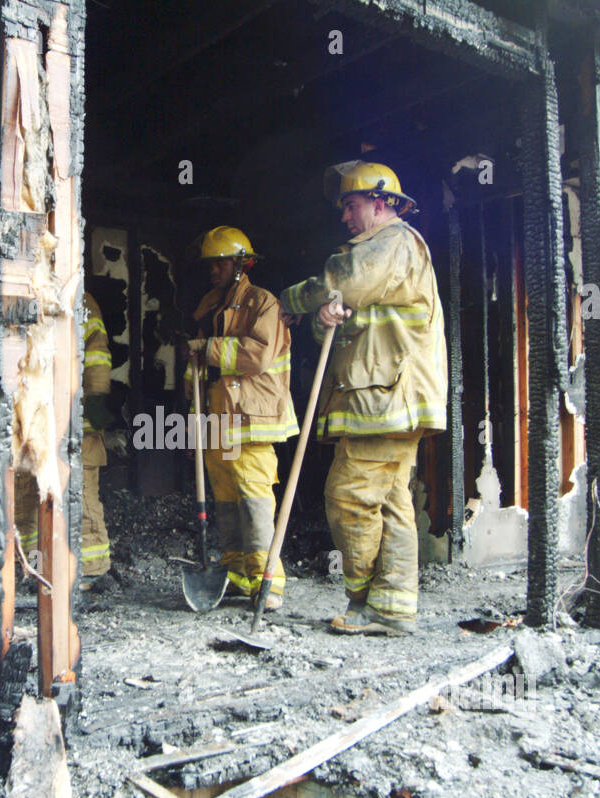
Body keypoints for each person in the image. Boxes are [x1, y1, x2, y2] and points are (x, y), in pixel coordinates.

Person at [279, 161, 447, 635]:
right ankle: (392, 606)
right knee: (391, 502)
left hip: (388, 399)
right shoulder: (383, 261)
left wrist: (293, 299)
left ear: (381, 202)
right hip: (382, 398)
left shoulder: (392, 243)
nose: (345, 217)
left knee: (348, 496)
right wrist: (323, 316)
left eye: (351, 206)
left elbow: (343, 282)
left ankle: (362, 598)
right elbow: (343, 315)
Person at [183, 226, 299, 611]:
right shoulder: (210, 308)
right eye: (210, 264)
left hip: (251, 416)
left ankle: (268, 580)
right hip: (217, 416)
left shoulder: (261, 303)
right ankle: (235, 573)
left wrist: (208, 348)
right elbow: (197, 372)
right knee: (227, 497)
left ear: (240, 264)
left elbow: (256, 355)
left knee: (253, 497)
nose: (213, 271)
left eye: (220, 263)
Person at [16, 291, 114, 591]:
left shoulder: (79, 298)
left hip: (72, 418)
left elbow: (95, 353)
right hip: (33, 416)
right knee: (27, 495)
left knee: (80, 494)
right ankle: (34, 566)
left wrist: (94, 399)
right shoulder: (20, 294)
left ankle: (89, 569)